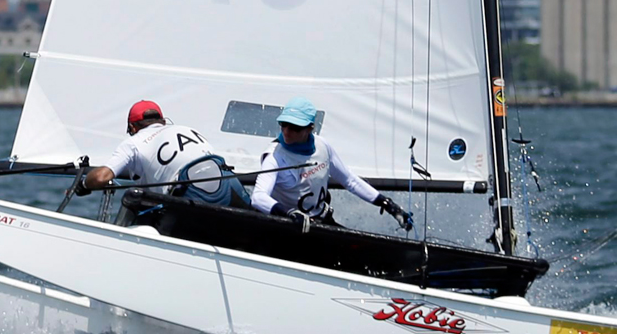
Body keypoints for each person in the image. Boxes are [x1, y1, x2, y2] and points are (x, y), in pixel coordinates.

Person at [250, 96, 413, 232]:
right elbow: (258, 197)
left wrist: (389, 205)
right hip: (290, 226)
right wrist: (290, 213)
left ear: (310, 128)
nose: (286, 131)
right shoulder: (274, 157)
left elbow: (350, 181)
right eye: (283, 124)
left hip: (321, 222)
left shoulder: (323, 146)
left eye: (294, 127)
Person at [80, 100, 249, 208]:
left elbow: (102, 177)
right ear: (162, 121)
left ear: (132, 128)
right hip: (229, 184)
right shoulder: (187, 129)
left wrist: (84, 185)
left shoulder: (134, 141)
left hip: (191, 194)